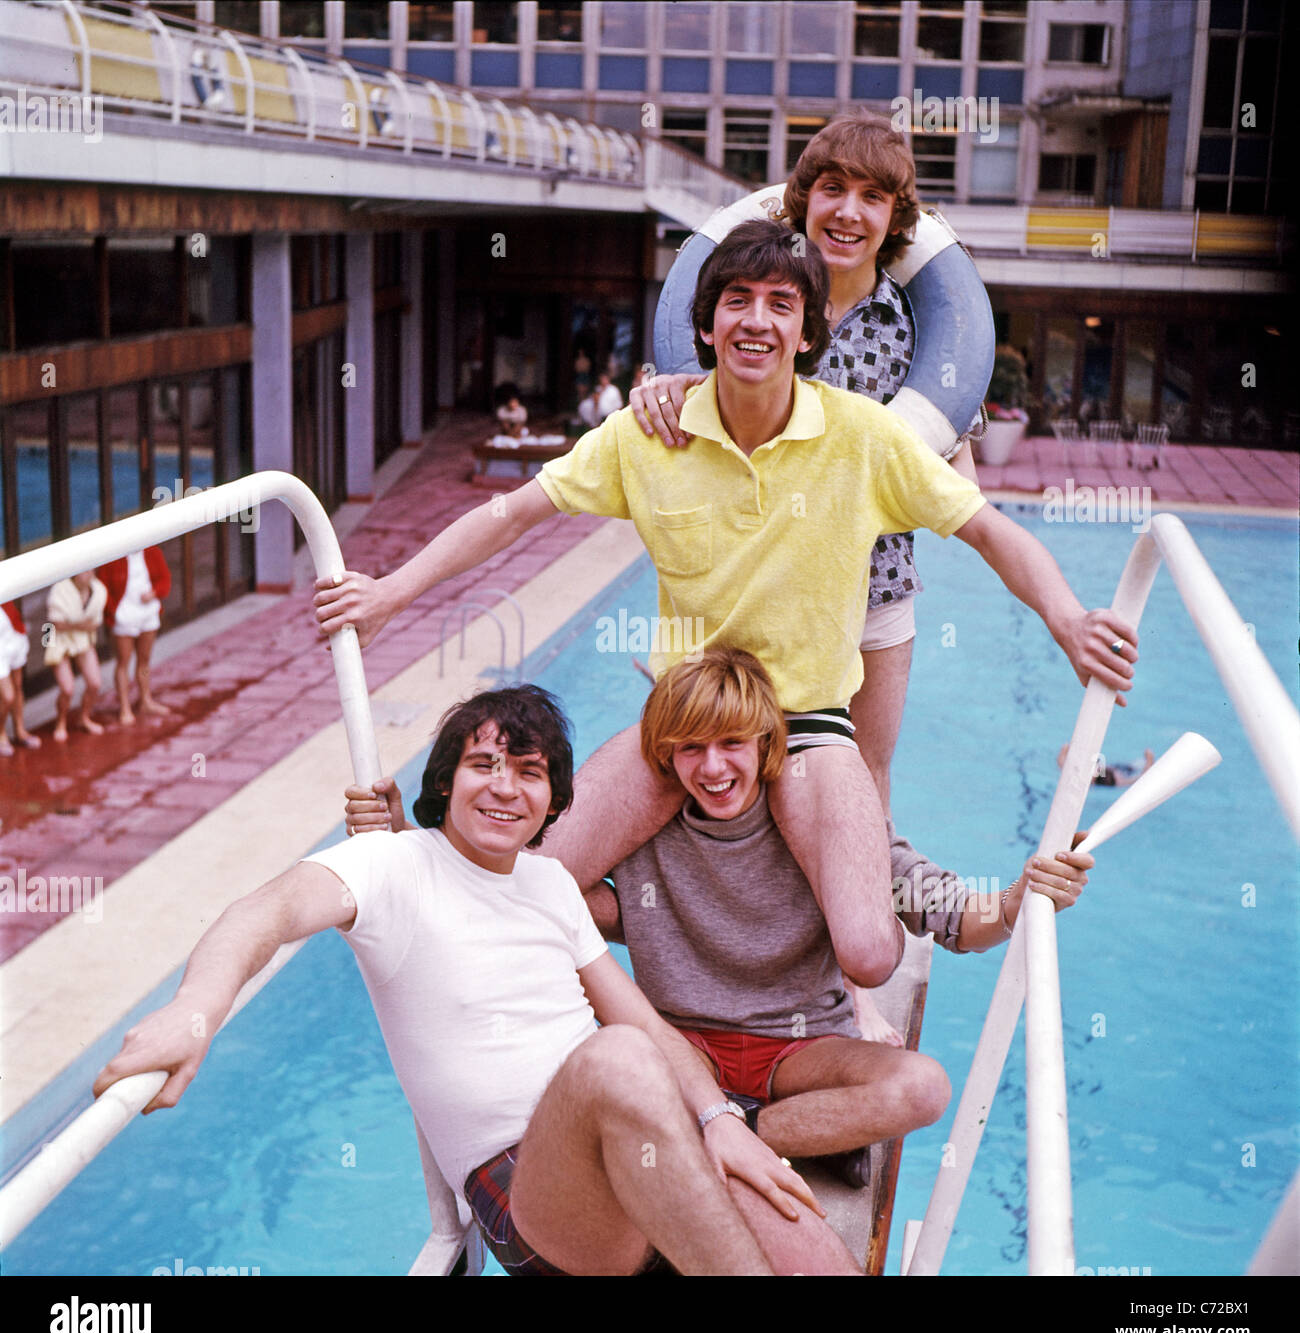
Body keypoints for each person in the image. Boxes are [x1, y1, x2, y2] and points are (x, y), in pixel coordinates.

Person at [315, 218, 1136, 999]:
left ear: (810, 332)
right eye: (738, 301)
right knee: (539, 878)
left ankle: (855, 876)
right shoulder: (647, 436)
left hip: (809, 721)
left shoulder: (863, 438)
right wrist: (390, 593)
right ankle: (671, 920)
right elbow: (512, 514)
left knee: (871, 954)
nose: (758, 321)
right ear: (705, 325)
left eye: (782, 304)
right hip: (688, 719)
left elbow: (990, 532)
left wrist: (1067, 619)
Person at [95, 684, 858, 1276]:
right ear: (447, 778)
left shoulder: (550, 885)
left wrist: (724, 1123)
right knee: (616, 1059)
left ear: (552, 801)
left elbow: (650, 1025)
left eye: (529, 773)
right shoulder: (391, 867)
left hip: (638, 1146)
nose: (504, 787)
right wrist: (194, 1012)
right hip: (532, 1190)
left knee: (804, 1232)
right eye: (483, 764)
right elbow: (265, 912)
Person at [347, 650, 1094, 1190]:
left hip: (801, 1051)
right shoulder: (642, 840)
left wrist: (1023, 894)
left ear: (766, 744)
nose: (713, 768)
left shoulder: (817, 828)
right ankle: (780, 1136)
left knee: (921, 1088)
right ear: (667, 757)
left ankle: (748, 1134)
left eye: (732, 743)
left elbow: (961, 919)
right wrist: (413, 843)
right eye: (691, 749)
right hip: (684, 1050)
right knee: (593, 1090)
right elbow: (520, 886)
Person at [632, 113, 980, 816]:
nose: (848, 212)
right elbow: (683, 413)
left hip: (876, 589)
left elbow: (961, 489)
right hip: (748, 583)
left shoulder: (926, 328)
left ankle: (859, 917)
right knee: (713, 775)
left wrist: (920, 464)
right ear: (804, 199)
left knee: (863, 780)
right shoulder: (761, 302)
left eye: (872, 198)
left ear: (895, 217)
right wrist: (665, 387)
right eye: (832, 189)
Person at [97, 548, 172, 725]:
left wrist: (154, 593)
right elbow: (103, 588)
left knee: (144, 660)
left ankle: (145, 699)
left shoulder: (152, 551)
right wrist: (114, 612)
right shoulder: (112, 557)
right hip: (124, 615)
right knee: (123, 661)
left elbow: (165, 579)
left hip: (147, 611)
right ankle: (124, 706)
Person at [45, 570, 107, 742]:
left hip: (81, 640)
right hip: (54, 638)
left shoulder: (99, 589)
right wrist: (81, 625)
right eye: (83, 571)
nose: (88, 574)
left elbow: (94, 624)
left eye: (91, 570)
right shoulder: (59, 589)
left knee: (95, 683)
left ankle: (84, 718)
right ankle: (60, 722)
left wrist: (74, 625)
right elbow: (54, 624)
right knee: (67, 688)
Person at [0, 601, 40, 755]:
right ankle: (1, 733)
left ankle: (20, 730)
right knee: (7, 696)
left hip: (12, 633)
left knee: (17, 686)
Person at [1058, 743, 1155, 788]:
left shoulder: (1117, 778)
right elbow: (1142, 779)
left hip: (1117, 773)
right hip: (1117, 775)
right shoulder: (1118, 780)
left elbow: (1062, 764)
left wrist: (1065, 750)